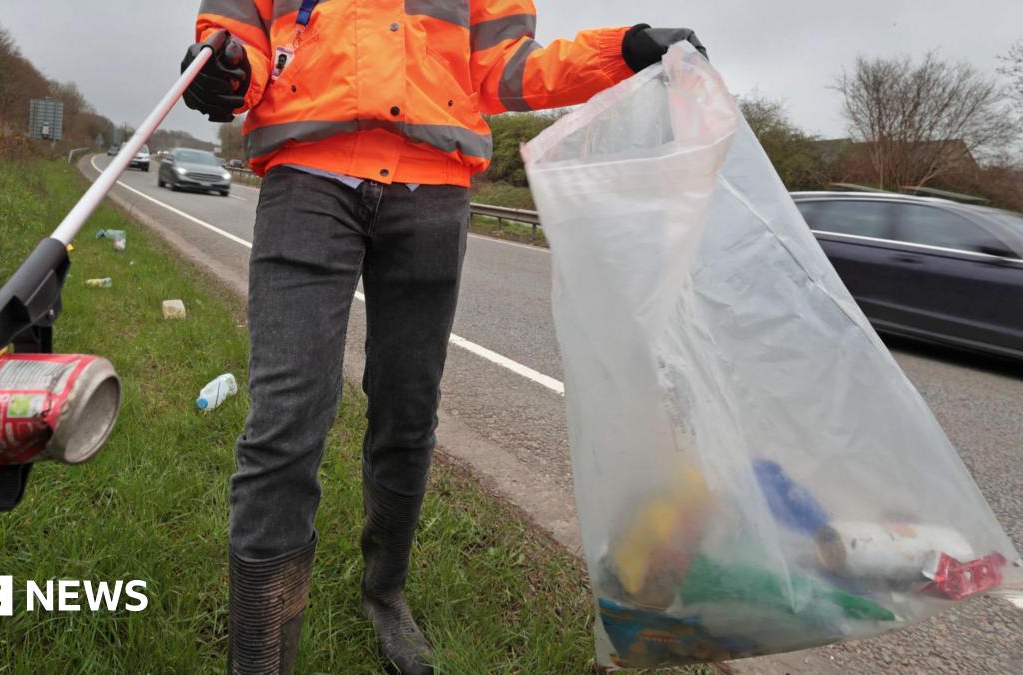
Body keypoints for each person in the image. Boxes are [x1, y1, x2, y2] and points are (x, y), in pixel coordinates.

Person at [181, 3, 705, 673]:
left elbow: (507, 70)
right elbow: (245, 41)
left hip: (434, 192)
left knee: (408, 412)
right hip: (307, 177)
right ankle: (259, 655)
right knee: (284, 421)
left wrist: (621, 48)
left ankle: (385, 593)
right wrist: (225, 66)